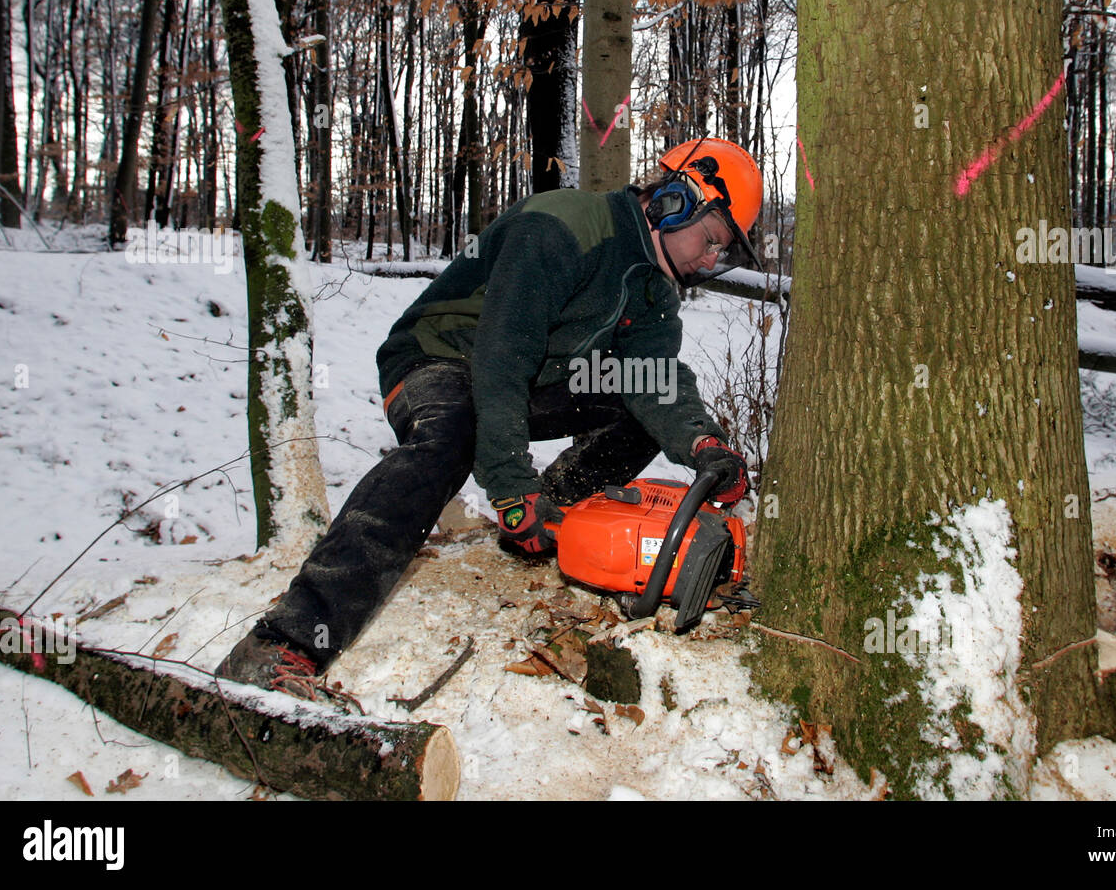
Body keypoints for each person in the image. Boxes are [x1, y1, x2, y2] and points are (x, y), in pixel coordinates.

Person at [215, 136, 763, 698]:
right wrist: (507, 483)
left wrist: (705, 445)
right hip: (437, 356)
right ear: (673, 200)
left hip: (527, 381)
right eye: (711, 240)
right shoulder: (562, 226)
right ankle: (287, 640)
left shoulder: (655, 288)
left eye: (721, 253)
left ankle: (556, 514)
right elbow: (503, 354)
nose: (708, 261)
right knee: (451, 433)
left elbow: (655, 379)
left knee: (635, 405)